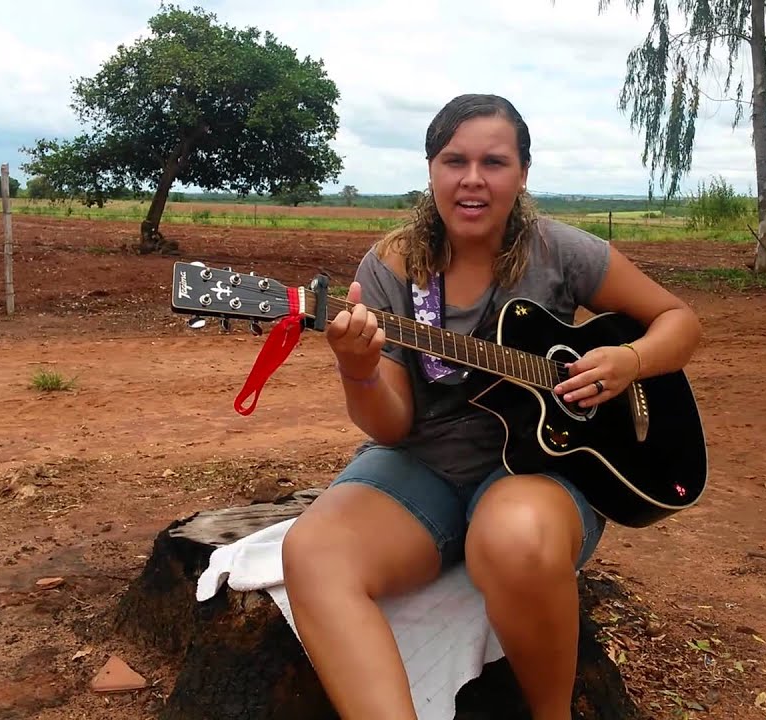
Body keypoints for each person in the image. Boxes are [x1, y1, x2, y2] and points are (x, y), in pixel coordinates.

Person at [281, 93, 702, 720]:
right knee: (312, 553)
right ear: (431, 170)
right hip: (420, 466)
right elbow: (391, 423)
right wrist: (359, 366)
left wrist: (628, 363)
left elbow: (680, 320)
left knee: (513, 538)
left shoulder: (560, 251)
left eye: (495, 162)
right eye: (454, 160)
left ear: (523, 174)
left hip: (539, 468)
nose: (472, 179)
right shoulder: (395, 264)